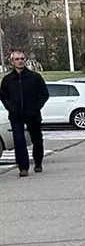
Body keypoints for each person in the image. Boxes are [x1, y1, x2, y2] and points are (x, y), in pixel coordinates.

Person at [0, 49, 49, 177]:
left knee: (37, 139)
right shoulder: (7, 80)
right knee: (19, 140)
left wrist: (36, 107)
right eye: (17, 59)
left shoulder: (34, 77)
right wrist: (11, 107)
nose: (20, 61)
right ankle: (23, 167)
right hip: (16, 115)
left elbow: (44, 94)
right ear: (12, 62)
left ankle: (38, 162)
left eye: (22, 59)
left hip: (33, 114)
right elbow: (3, 96)